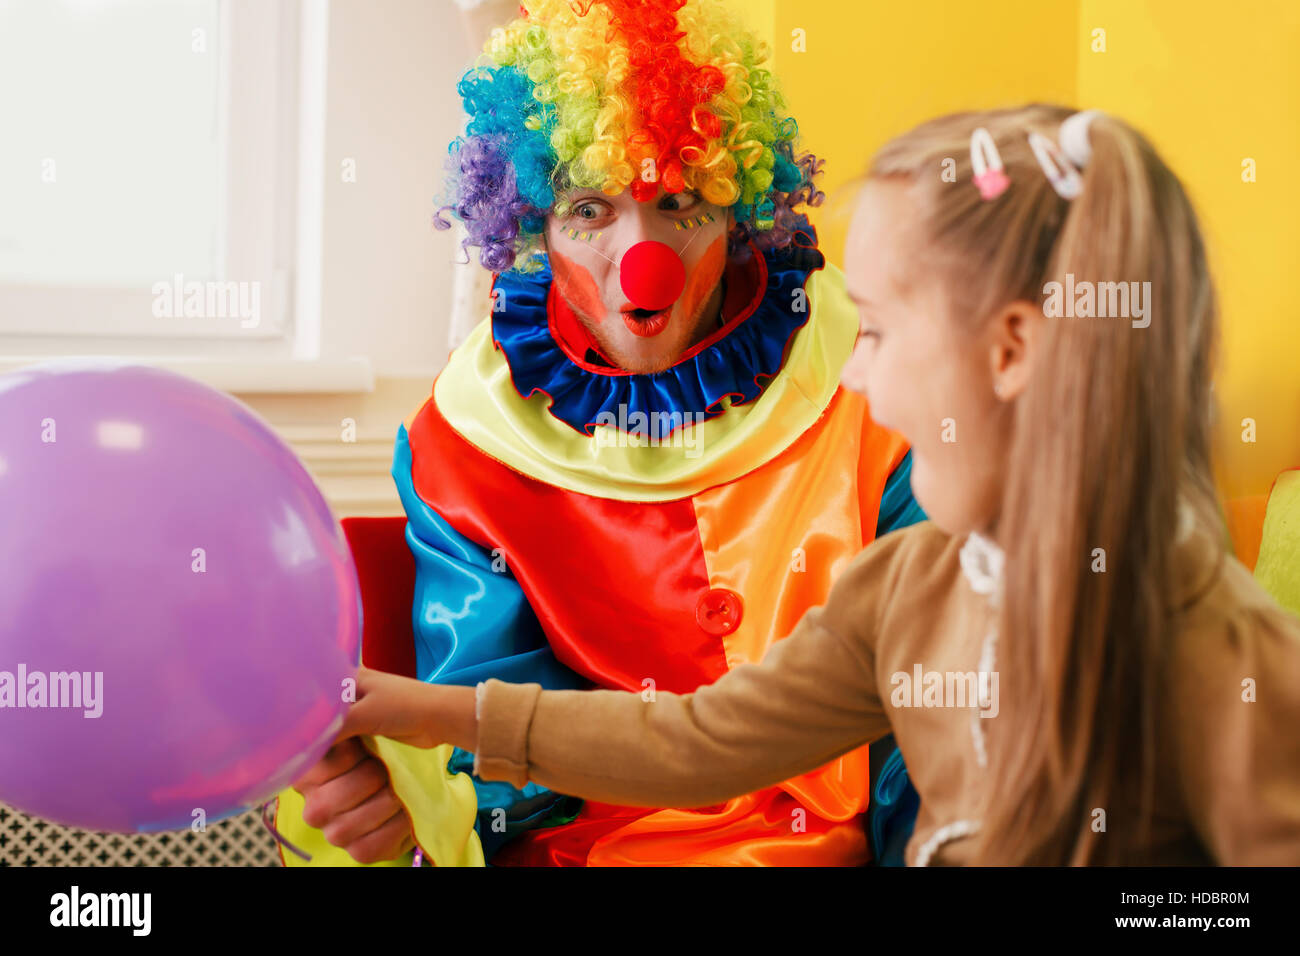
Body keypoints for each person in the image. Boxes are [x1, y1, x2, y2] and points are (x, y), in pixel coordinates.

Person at [321, 105, 1300, 865]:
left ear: (1009, 351)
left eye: (871, 331)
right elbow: (698, 739)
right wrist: (428, 711)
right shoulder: (906, 586)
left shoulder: (1216, 647)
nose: (852, 375)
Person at [279, 0, 924, 867]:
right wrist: (410, 811)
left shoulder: (875, 378)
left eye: (684, 202)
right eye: (590, 209)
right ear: (533, 220)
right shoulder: (469, 434)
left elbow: (928, 729)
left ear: (739, 212)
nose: (641, 256)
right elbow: (489, 762)